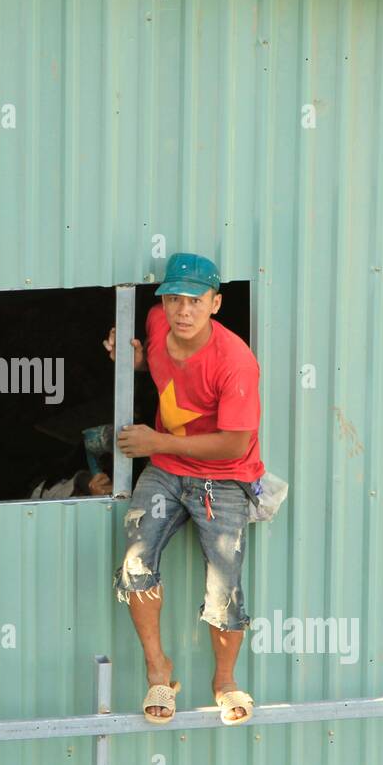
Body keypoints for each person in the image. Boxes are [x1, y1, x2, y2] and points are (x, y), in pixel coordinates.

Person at [103, 253, 265, 726]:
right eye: (174, 298)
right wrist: (129, 361)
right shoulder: (156, 322)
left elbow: (236, 440)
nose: (183, 310)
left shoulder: (236, 361)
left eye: (195, 300)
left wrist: (155, 442)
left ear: (216, 304)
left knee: (225, 586)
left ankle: (225, 681)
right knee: (135, 564)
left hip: (224, 476)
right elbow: (152, 361)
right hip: (168, 470)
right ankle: (159, 670)